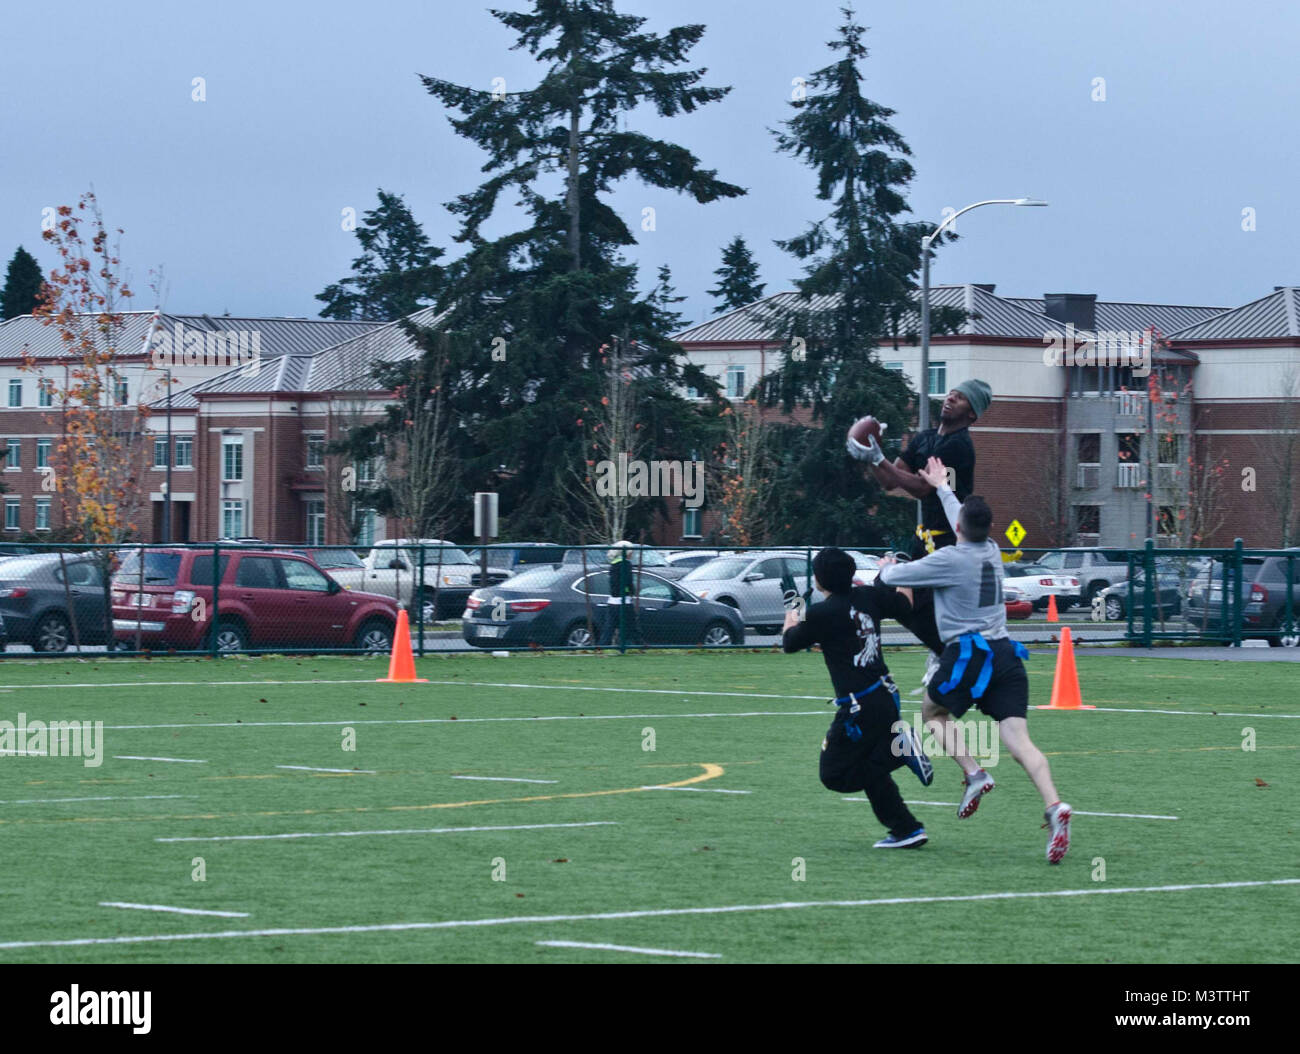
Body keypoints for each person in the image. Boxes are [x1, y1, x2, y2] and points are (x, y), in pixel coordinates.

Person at [874, 458, 1072, 863]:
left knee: (932, 714)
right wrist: (942, 487)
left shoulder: (950, 559)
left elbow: (895, 580)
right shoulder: (993, 550)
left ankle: (975, 773)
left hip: (969, 653)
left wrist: (887, 567)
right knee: (1018, 740)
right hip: (1005, 655)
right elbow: (961, 518)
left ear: (959, 528)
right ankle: (1054, 806)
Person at [781, 547, 934, 849]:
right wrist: (904, 572)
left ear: (821, 579)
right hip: (886, 696)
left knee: (835, 773)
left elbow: (789, 641)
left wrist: (793, 604)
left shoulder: (822, 613)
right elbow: (904, 604)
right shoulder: (868, 597)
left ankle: (900, 748)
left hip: (859, 707)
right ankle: (906, 828)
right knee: (869, 768)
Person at [846, 380, 991, 685]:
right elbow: (890, 481)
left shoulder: (959, 446)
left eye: (961, 398)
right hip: (925, 538)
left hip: (951, 540)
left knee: (903, 596)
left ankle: (944, 651)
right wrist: (872, 453)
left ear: (972, 414)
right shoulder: (925, 438)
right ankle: (939, 650)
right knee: (895, 596)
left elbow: (924, 488)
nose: (951, 398)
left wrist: (878, 459)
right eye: (952, 392)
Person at [597, 541, 641, 647]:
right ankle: (637, 645)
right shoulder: (626, 564)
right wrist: (632, 591)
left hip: (612, 601)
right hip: (624, 601)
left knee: (609, 628)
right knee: (632, 625)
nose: (632, 554)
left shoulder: (614, 564)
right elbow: (628, 581)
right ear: (626, 552)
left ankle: (601, 647)